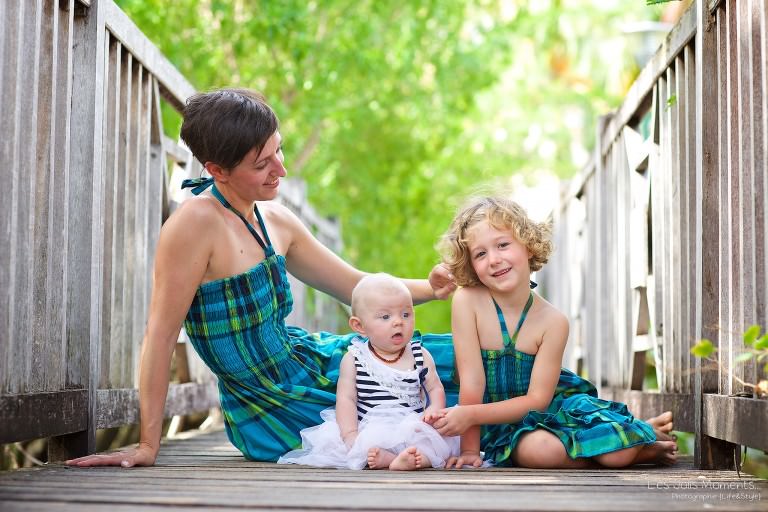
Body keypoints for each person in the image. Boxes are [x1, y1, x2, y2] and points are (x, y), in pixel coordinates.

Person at [65, 88, 456, 468]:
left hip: (306, 361)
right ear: (217, 170)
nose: (281, 170)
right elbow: (161, 334)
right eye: (262, 164)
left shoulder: (275, 219)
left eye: (279, 149)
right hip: (268, 404)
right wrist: (148, 443)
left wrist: (433, 289)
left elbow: (357, 287)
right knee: (421, 410)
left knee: (450, 359)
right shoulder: (193, 225)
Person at [431, 195, 678, 469]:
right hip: (497, 423)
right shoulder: (468, 300)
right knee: (542, 453)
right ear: (471, 264)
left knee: (616, 456)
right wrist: (469, 450)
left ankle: (632, 441)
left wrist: (469, 414)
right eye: (481, 253)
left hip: (552, 409)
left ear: (527, 246)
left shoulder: (553, 321)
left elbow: (538, 400)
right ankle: (634, 444)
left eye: (502, 245)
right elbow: (472, 384)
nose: (494, 260)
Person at [278, 273, 460, 470]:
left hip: (412, 427)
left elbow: (435, 388)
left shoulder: (420, 354)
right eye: (385, 316)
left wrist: (434, 410)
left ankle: (415, 459)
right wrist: (350, 435)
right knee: (367, 447)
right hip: (371, 428)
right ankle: (389, 458)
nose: (398, 322)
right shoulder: (355, 359)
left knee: (439, 440)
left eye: (406, 314)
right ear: (360, 326)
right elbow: (347, 399)